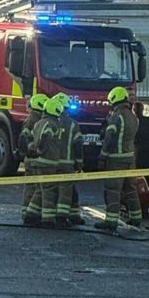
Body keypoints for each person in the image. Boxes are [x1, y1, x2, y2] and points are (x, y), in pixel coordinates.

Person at [95, 87, 141, 231]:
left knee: (113, 190)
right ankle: (136, 217)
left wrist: (103, 155)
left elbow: (109, 138)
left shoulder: (116, 116)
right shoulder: (133, 116)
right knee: (131, 189)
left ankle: (111, 221)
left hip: (116, 159)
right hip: (130, 158)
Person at [26, 94, 63, 228]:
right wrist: (40, 150)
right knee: (49, 191)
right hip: (47, 162)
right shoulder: (52, 124)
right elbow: (45, 137)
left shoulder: (38, 123)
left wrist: (32, 151)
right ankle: (48, 219)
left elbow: (29, 139)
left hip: (36, 162)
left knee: (40, 189)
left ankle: (30, 214)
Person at [54, 93, 86, 227]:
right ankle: (62, 216)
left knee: (53, 189)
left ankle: (74, 215)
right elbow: (78, 146)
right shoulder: (73, 124)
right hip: (67, 164)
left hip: (51, 163)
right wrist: (79, 164)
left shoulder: (49, 121)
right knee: (66, 190)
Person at [19, 93, 49, 225]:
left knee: (31, 186)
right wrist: (31, 151)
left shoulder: (34, 118)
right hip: (33, 158)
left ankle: (28, 211)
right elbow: (24, 138)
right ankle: (30, 212)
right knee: (35, 186)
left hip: (31, 158)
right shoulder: (34, 119)